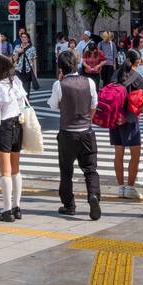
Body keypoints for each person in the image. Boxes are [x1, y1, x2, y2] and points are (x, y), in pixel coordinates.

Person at [49, 51, 101, 221]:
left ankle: (69, 205)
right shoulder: (89, 82)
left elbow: (53, 105)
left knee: (66, 171)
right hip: (86, 131)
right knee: (90, 169)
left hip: (67, 133)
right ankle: (93, 195)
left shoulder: (60, 85)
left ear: (61, 68)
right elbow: (94, 104)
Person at [0, 54, 27, 221]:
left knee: (5, 171)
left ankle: (7, 210)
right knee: (16, 169)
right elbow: (22, 104)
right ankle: (17, 207)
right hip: (18, 125)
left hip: (4, 127)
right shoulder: (16, 83)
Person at [111, 51, 143, 199]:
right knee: (135, 154)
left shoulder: (115, 74)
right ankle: (130, 187)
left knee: (119, 153)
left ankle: (120, 188)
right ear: (136, 61)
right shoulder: (137, 77)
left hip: (114, 119)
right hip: (130, 119)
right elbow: (142, 100)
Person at [14, 27, 38, 95]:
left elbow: (34, 60)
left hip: (28, 70)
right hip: (18, 69)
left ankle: (26, 103)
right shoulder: (17, 47)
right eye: (22, 37)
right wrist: (18, 52)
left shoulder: (32, 48)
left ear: (28, 39)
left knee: (26, 88)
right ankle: (19, 103)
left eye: (25, 37)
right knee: (18, 88)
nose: (23, 39)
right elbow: (14, 59)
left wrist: (35, 72)